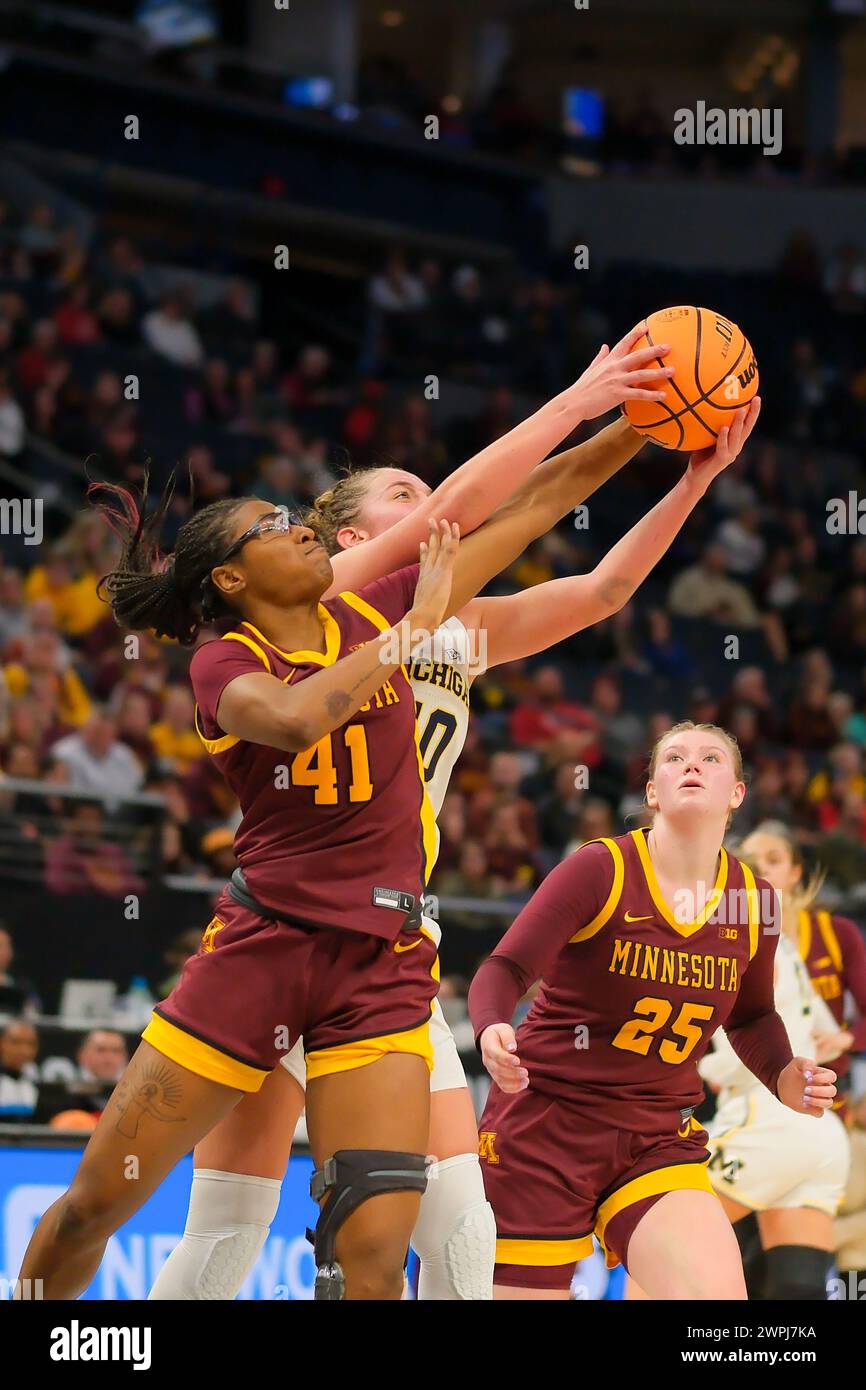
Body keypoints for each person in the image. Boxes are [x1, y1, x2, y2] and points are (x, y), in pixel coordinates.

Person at [17, 328, 678, 1301]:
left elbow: (534, 506)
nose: (295, 525)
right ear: (233, 579)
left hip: (383, 956)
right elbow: (293, 719)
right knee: (98, 1204)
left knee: (373, 1251)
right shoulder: (226, 660)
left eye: (295, 514)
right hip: (265, 941)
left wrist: (648, 425)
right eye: (269, 523)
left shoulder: (390, 607)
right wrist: (409, 634)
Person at [151, 402, 761, 1302]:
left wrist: (693, 481)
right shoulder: (326, 597)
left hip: (390, 945)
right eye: (408, 492)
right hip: (288, 929)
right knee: (229, 1230)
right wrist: (601, 399)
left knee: (467, 1231)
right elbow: (481, 502)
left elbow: (598, 594)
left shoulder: (452, 626)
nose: (434, 502)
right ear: (348, 533)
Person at [468, 722, 837, 1299]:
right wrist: (493, 1024)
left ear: (736, 793)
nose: (692, 765)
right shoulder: (600, 869)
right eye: (675, 758)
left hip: (655, 1135)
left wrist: (784, 1073)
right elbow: (505, 969)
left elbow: (752, 1015)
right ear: (652, 792)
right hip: (546, 1124)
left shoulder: (755, 900)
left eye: (712, 758)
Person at [698, 930, 849, 1299]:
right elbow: (830, 1038)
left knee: (660, 1241)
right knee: (796, 1287)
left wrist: (710, 1068)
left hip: (766, 1115)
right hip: (820, 1128)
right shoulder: (786, 947)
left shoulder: (728, 941)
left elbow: (744, 1047)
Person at [740, 822, 866, 1122]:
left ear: (796, 871)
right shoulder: (725, 937)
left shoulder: (836, 933)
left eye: (773, 860)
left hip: (825, 1097)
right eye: (750, 863)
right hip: (750, 1096)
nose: (762, 871)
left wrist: (844, 1040)